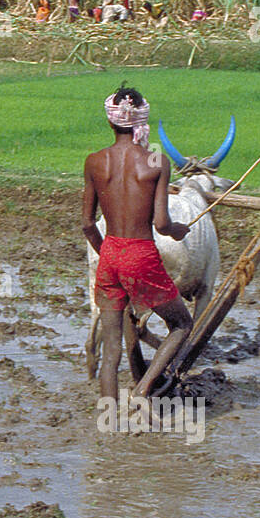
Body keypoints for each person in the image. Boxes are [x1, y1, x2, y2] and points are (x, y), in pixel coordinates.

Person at [81, 85, 193, 402]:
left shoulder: (94, 161)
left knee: (112, 347)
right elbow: (161, 223)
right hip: (140, 254)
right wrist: (179, 231)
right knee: (182, 324)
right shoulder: (156, 162)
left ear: (110, 121)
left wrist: (110, 257)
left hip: (110, 253)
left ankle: (109, 424)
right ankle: (143, 391)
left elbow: (88, 225)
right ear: (141, 120)